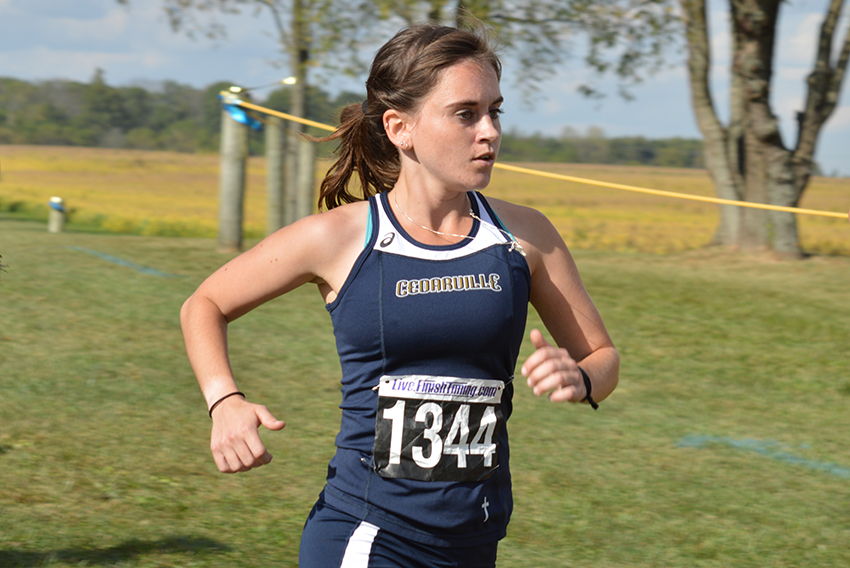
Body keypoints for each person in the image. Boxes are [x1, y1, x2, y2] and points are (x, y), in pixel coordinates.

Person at [180, 22, 619, 568]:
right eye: (465, 114)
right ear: (400, 127)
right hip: (367, 535)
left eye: (494, 112)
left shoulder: (524, 237)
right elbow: (204, 304)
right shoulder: (341, 237)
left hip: (475, 540)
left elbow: (603, 358)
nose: (489, 133)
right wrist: (225, 402)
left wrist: (579, 378)